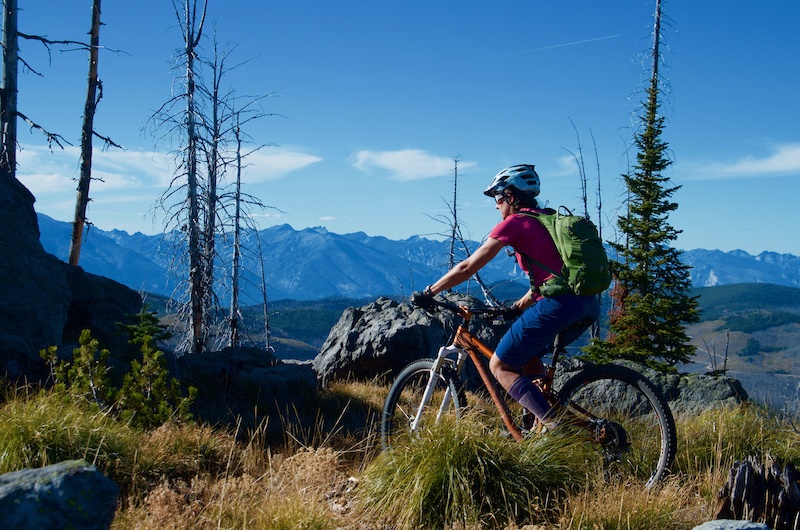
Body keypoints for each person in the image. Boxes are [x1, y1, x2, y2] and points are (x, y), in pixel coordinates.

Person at [414, 164, 600, 427]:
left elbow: (468, 267)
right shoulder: (548, 218)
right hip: (587, 303)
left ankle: (555, 429)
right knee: (527, 356)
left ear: (512, 196)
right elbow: (551, 279)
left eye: (498, 198)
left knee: (500, 366)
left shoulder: (515, 223)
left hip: (558, 305)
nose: (496, 205)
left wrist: (429, 292)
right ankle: (537, 428)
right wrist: (516, 307)